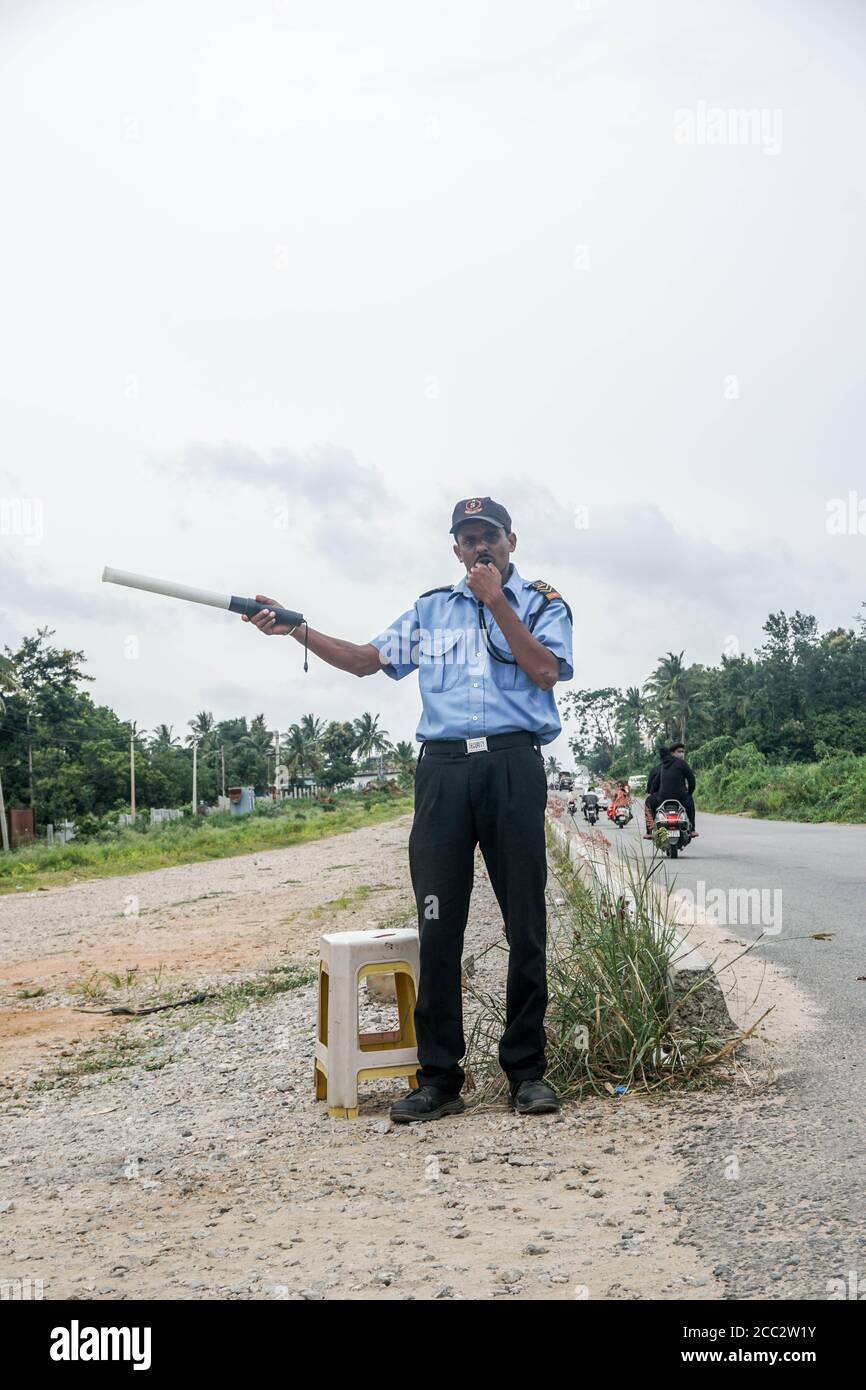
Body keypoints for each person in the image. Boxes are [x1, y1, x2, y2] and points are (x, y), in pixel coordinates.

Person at [243, 495, 574, 1122]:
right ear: (453, 547)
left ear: (512, 541)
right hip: (444, 772)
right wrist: (297, 629)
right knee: (438, 924)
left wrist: (496, 602)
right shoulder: (430, 610)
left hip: (513, 764)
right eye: (468, 537)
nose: (480, 546)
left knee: (525, 922)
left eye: (490, 536)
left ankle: (527, 1072)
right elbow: (370, 661)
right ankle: (439, 1078)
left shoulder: (543, 603)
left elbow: (545, 673)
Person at [646, 743, 698, 837]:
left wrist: (652, 793)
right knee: (690, 801)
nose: (681, 753)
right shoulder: (681, 763)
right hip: (681, 799)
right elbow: (691, 779)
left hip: (662, 799)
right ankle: (693, 829)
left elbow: (654, 784)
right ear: (671, 753)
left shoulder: (661, 767)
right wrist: (689, 793)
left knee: (648, 802)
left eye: (682, 751)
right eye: (679, 751)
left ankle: (649, 831)